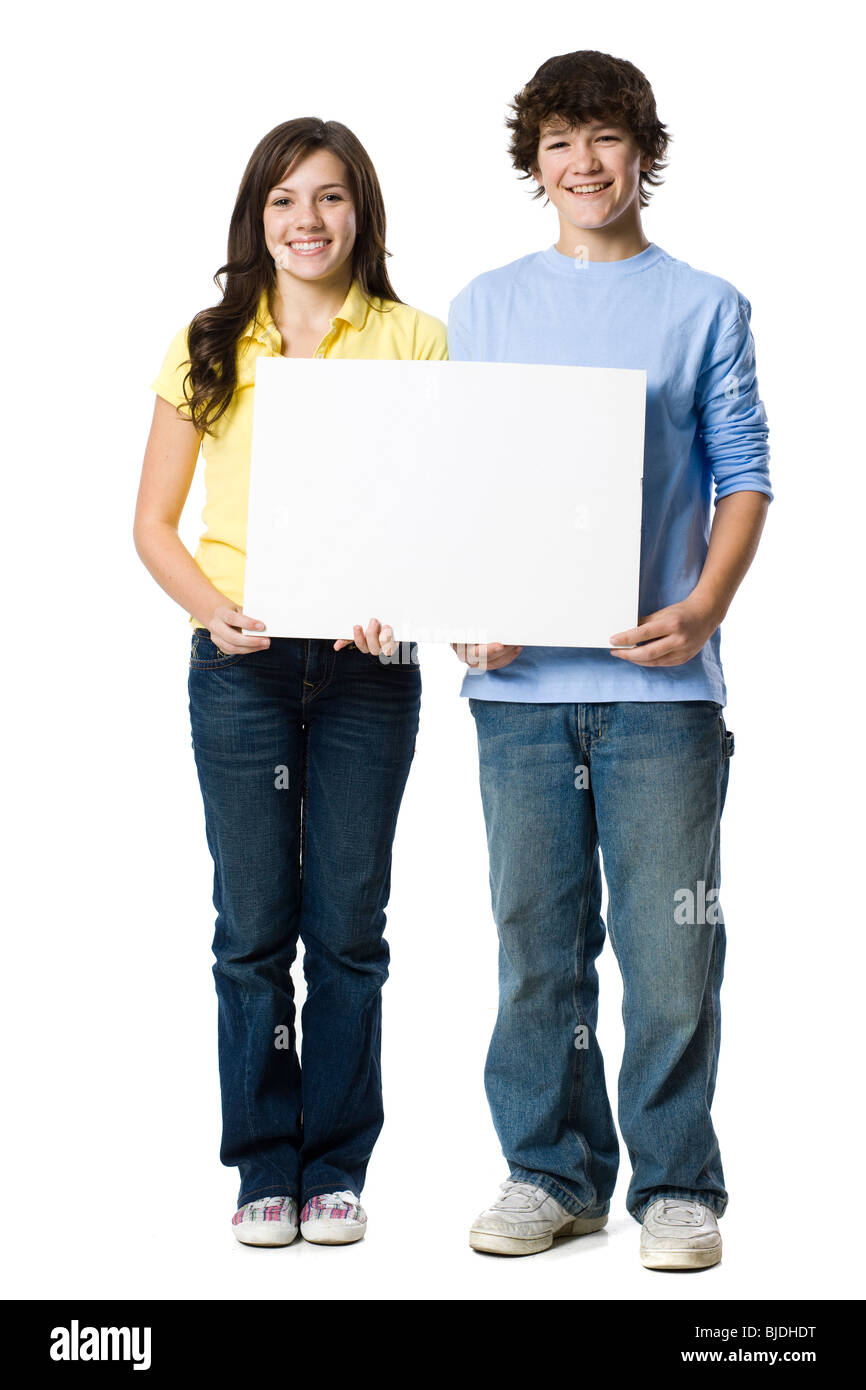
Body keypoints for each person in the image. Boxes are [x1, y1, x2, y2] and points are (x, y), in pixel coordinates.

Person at [448, 50, 772, 1269]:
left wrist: (700, 607)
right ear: (532, 165)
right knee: (536, 949)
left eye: (603, 139)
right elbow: (460, 482)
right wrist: (462, 605)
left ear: (643, 150)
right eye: (557, 145)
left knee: (670, 949)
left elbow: (742, 475)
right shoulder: (482, 305)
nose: (582, 165)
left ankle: (677, 1183)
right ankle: (548, 1171)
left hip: (660, 689)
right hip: (518, 690)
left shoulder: (704, 306)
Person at [134, 118, 447, 1248]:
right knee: (252, 928)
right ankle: (263, 1163)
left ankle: (338, 1166)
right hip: (243, 667)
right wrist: (210, 611)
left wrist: (400, 594)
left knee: (351, 929)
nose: (305, 222)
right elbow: (154, 525)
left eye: (327, 198)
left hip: (368, 671)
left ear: (360, 211)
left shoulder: (415, 339)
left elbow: (436, 518)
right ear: (254, 217)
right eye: (282, 201)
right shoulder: (208, 341)